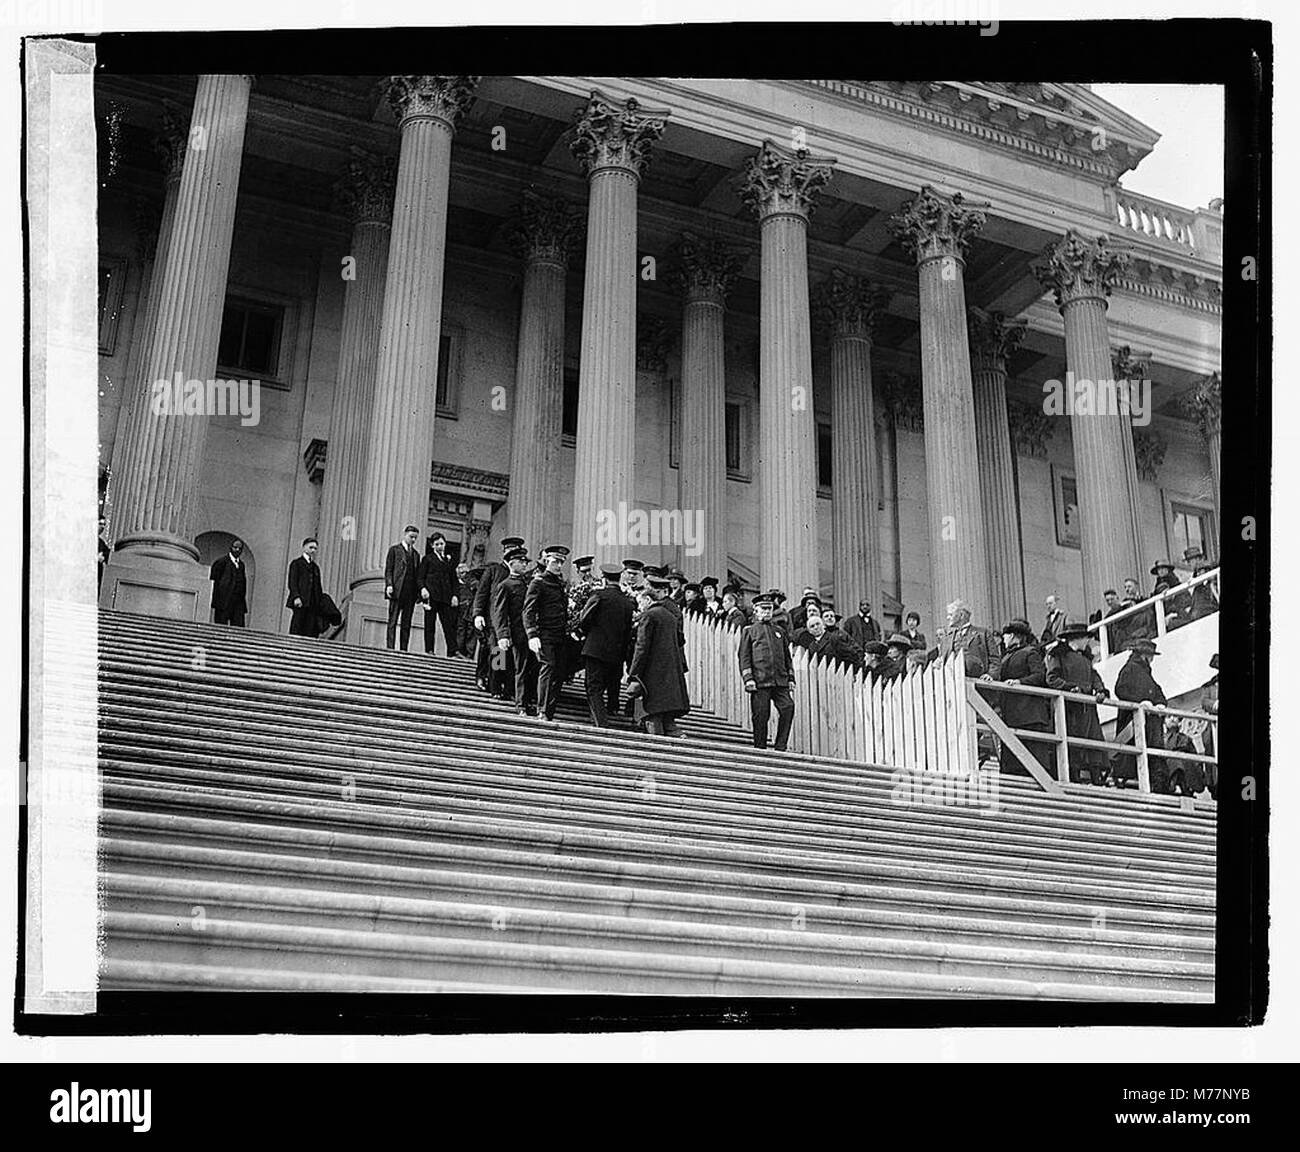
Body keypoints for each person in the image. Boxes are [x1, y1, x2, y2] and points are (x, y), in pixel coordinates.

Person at [1044, 620, 1109, 785]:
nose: (1088, 641)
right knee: (1071, 742)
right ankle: (1073, 775)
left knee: (1092, 741)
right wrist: (1069, 688)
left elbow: (1094, 677)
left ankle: (1096, 776)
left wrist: (1100, 690)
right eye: (1086, 638)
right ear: (1078, 639)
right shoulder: (1058, 655)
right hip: (1068, 707)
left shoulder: (1086, 659)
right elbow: (1052, 678)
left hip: (1087, 707)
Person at [986, 618, 1053, 777]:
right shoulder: (1005, 657)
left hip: (1029, 712)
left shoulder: (1030, 652)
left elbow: (1040, 676)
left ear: (1015, 636)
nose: (1003, 638)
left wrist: (1020, 682)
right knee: (1013, 759)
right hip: (1012, 714)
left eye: (1006, 635)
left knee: (1032, 757)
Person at [627, 576, 690, 737]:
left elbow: (641, 647)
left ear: (648, 599)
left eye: (641, 602)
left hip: (652, 674)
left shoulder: (649, 616)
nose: (640, 607)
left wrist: (634, 674)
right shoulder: (669, 615)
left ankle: (658, 749)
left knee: (652, 715)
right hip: (669, 674)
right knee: (666, 719)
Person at [577, 563, 635, 727]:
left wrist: (585, 632)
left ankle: (601, 723)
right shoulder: (628, 603)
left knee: (593, 688)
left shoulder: (598, 595)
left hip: (595, 649)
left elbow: (584, 619)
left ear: (604, 579)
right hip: (616, 653)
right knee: (609, 685)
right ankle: (610, 712)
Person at [739, 594, 795, 751]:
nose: (767, 612)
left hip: (780, 681)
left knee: (788, 707)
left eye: (769, 609)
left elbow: (787, 656)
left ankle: (780, 746)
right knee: (761, 715)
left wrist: (790, 677)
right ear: (756, 611)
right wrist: (748, 678)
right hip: (760, 681)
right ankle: (760, 748)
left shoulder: (780, 631)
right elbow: (744, 657)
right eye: (763, 609)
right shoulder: (749, 631)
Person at [1112, 638, 1169, 792]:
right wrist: (1140, 703)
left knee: (1146, 752)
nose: (1152, 659)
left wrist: (1160, 703)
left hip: (1147, 722)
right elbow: (1120, 690)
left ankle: (1154, 782)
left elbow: (1158, 692)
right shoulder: (1130, 669)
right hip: (1134, 720)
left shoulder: (1144, 672)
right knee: (1134, 753)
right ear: (1144, 655)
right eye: (1150, 656)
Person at [523, 545, 570, 722]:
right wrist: (532, 634)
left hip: (559, 635)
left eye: (561, 562)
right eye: (555, 561)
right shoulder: (539, 582)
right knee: (547, 667)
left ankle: (549, 711)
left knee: (558, 672)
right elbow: (528, 610)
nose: (558, 566)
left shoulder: (559, 584)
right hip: (544, 634)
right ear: (546, 561)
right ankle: (542, 710)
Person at [473, 536, 524, 696]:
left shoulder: (520, 576)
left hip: (513, 623)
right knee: (495, 651)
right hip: (493, 620)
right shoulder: (494, 570)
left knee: (507, 656)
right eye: (509, 551)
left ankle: (505, 686)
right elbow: (482, 593)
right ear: (504, 553)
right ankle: (491, 683)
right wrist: (478, 614)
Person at [491, 546, 535, 716]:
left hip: (530, 634)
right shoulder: (505, 585)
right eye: (521, 562)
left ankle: (528, 700)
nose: (525, 564)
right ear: (511, 563)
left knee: (529, 668)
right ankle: (519, 703)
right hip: (515, 634)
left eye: (526, 562)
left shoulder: (528, 584)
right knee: (517, 668)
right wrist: (502, 634)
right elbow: (500, 613)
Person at [419, 531, 459, 657]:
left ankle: (453, 650)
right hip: (431, 596)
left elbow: (454, 580)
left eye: (441, 544)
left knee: (449, 625)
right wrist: (423, 589)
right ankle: (429, 649)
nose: (440, 546)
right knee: (430, 624)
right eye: (437, 544)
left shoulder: (449, 561)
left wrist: (455, 595)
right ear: (432, 546)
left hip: (445, 597)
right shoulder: (427, 559)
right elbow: (420, 577)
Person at [937, 599, 1001, 677]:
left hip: (977, 682)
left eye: (951, 615)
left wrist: (990, 675)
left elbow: (994, 659)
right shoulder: (945, 640)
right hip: (952, 683)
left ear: (961, 615)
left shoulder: (983, 634)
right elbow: (940, 662)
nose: (948, 618)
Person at [383, 524, 422, 651]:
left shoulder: (416, 555)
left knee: (407, 623)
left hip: (410, 593)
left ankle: (404, 649)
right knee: (393, 620)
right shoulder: (394, 550)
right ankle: (390, 647)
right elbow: (389, 569)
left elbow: (417, 575)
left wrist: (418, 594)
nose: (413, 540)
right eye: (411, 537)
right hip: (397, 590)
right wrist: (389, 585)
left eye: (415, 538)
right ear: (405, 535)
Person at [286, 537, 323, 637]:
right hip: (301, 600)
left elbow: (318, 587)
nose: (313, 551)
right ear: (304, 548)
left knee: (310, 628)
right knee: (297, 625)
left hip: (312, 602)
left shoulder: (315, 567)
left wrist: (319, 603)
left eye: (315, 548)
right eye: (311, 547)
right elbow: (292, 582)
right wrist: (296, 597)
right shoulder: (296, 563)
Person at [210, 537, 249, 627]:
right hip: (224, 601)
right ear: (230, 548)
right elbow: (215, 582)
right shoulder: (221, 562)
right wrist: (216, 602)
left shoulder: (241, 565)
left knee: (238, 627)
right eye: (235, 547)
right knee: (220, 627)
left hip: (238, 603)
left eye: (240, 549)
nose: (237, 550)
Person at [455, 564, 477, 656]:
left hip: (471, 611)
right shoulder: (456, 585)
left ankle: (469, 654)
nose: (465, 575)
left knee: (471, 632)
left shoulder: (473, 584)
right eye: (462, 573)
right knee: (460, 631)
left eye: (467, 572)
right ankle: (459, 651)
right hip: (460, 611)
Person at [97, 517, 111, 593]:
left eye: (104, 525)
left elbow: (108, 554)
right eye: (100, 524)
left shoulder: (101, 543)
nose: (103, 527)